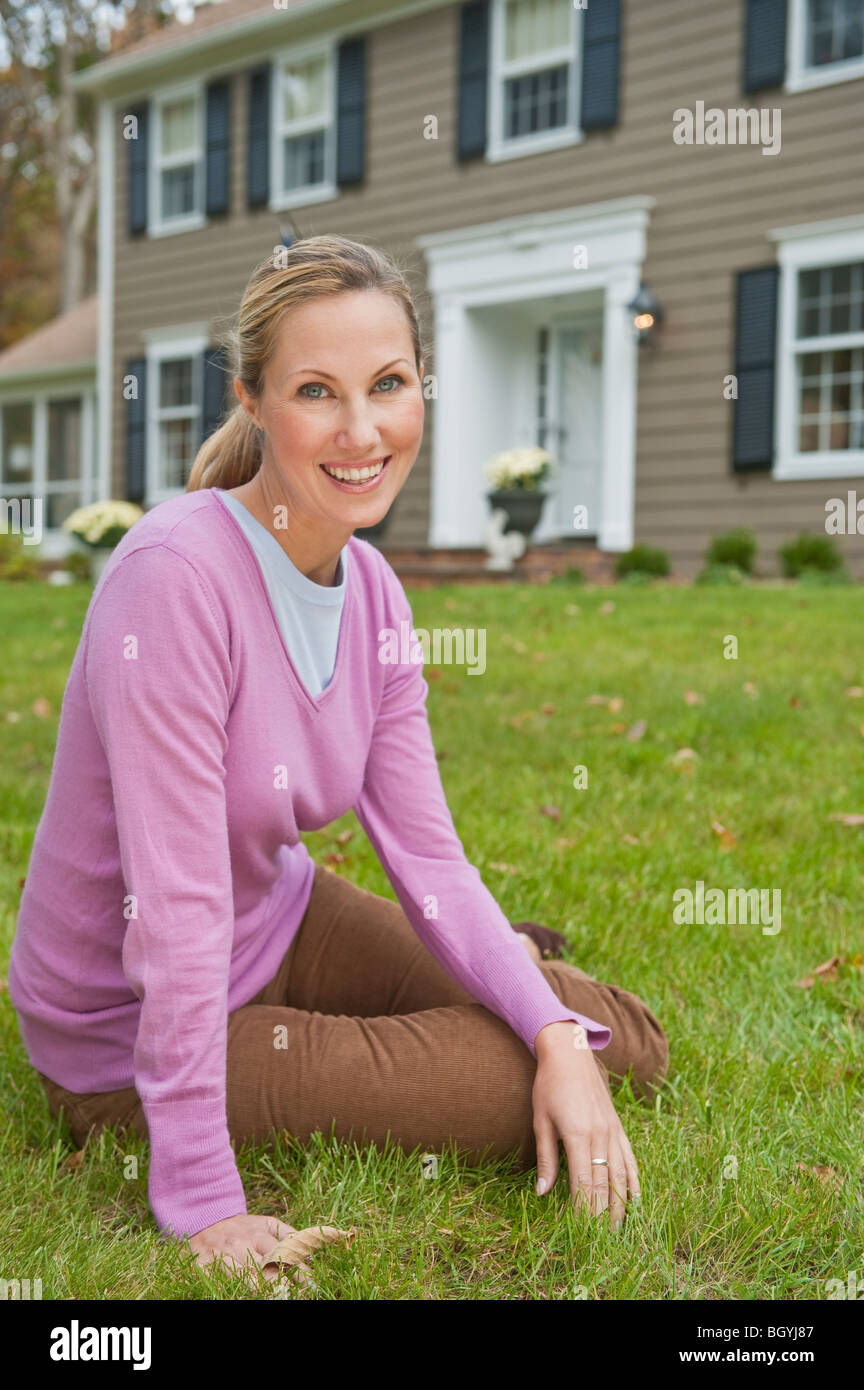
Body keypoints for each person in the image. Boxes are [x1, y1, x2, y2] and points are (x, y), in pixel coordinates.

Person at [9, 235, 668, 1291]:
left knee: (611, 1045)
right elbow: (175, 915)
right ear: (255, 402)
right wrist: (205, 1202)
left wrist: (546, 1024)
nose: (364, 431)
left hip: (275, 917)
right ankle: (493, 985)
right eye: (318, 391)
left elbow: (432, 858)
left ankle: (516, 975)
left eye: (389, 385)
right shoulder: (174, 581)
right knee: (523, 1080)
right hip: (129, 1032)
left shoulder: (373, 595)